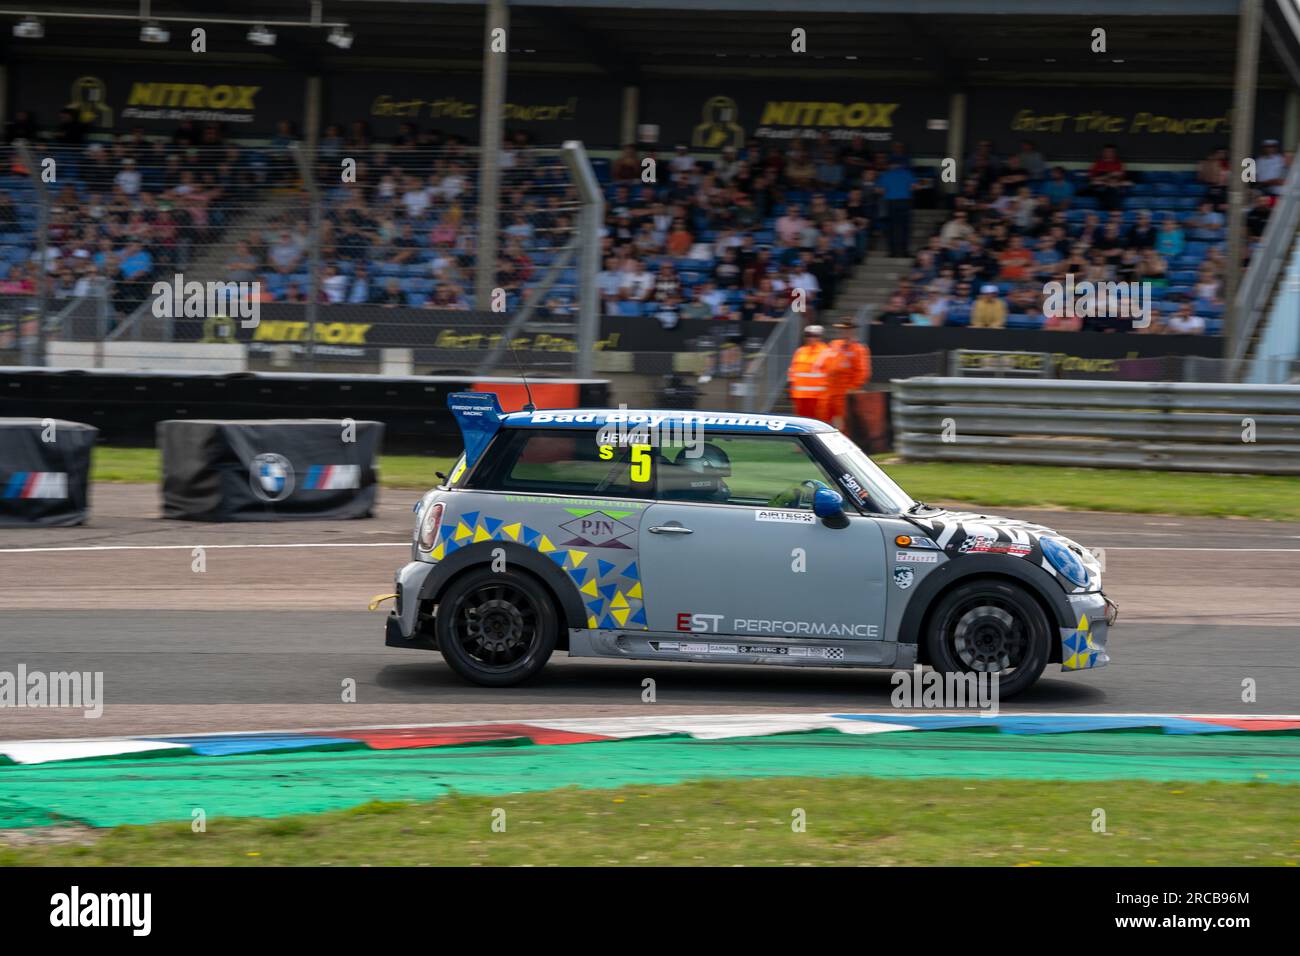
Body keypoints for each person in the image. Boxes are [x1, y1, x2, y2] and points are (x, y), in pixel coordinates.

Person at [822, 320, 871, 428]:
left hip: (845, 391)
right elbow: (826, 362)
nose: (844, 332)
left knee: (843, 422)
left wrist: (853, 388)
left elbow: (862, 372)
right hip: (830, 390)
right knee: (826, 420)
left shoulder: (859, 349)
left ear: (852, 331)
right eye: (842, 330)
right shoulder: (834, 344)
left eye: (847, 330)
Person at [787, 324, 830, 420]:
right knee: (802, 422)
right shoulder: (800, 351)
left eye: (814, 335)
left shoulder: (826, 352)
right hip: (800, 396)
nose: (811, 338)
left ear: (820, 337)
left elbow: (831, 375)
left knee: (817, 423)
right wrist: (790, 389)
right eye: (808, 335)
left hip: (817, 398)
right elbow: (792, 370)